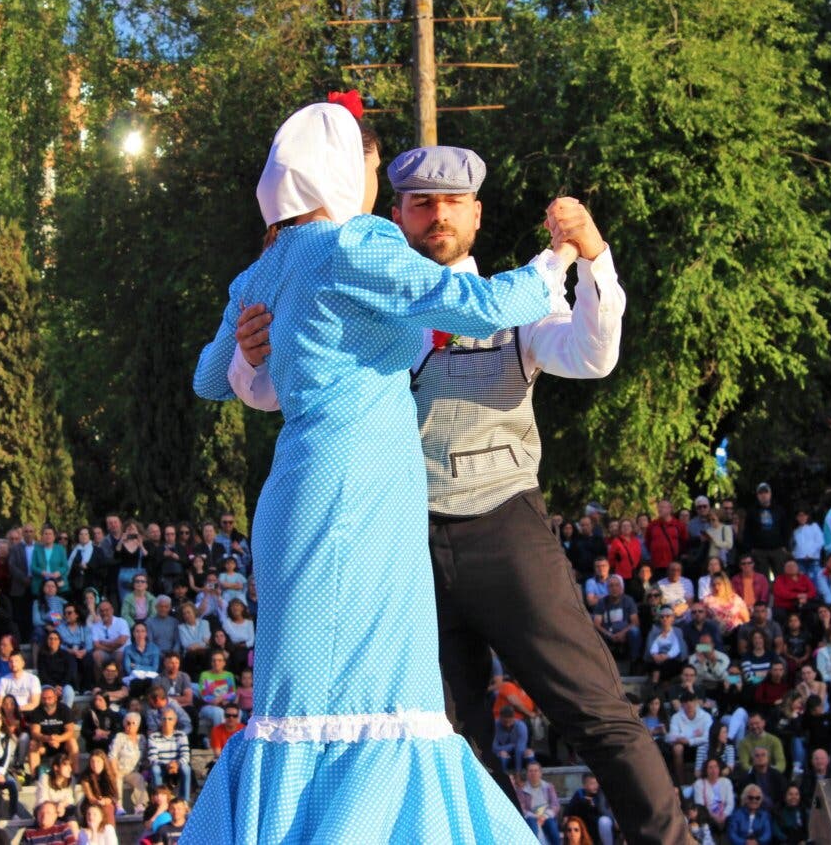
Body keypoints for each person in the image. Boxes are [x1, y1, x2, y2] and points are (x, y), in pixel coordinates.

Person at [218, 110, 683, 840]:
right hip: (394, 546)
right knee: (441, 733)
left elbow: (592, 355)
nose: (437, 215)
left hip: (502, 530)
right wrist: (250, 355)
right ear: (391, 211)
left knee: (596, 712)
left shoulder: (510, 301)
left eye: (452, 203)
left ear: (475, 214)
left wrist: (592, 260)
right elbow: (266, 392)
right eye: (420, 202)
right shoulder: (342, 274)